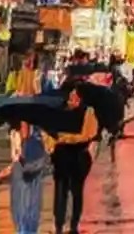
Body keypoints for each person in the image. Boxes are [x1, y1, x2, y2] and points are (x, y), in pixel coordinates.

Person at [46, 86, 98, 234]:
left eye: (75, 96)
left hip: (78, 153)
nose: (72, 99)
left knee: (76, 191)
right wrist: (51, 146)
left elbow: (89, 133)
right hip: (62, 154)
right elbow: (50, 133)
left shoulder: (88, 112)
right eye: (70, 96)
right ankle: (59, 225)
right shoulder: (59, 111)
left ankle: (74, 225)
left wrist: (68, 138)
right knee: (61, 190)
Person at [0, 120, 50, 234]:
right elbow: (15, 159)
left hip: (30, 176)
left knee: (28, 210)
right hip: (20, 176)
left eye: (25, 124)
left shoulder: (37, 137)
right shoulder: (15, 134)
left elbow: (42, 159)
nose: (23, 128)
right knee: (21, 211)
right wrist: (9, 170)